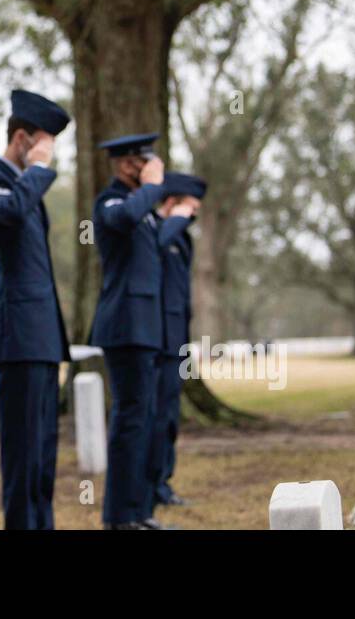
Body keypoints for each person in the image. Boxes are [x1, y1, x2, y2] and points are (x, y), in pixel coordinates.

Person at [0, 89, 71, 529]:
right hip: (17, 338)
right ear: (20, 139)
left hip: (41, 338)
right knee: (21, 457)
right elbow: (9, 213)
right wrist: (37, 168)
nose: (48, 157)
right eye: (42, 143)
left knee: (42, 457)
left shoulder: (23, 184)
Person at [86, 132, 182, 530]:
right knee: (129, 423)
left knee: (145, 421)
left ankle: (141, 510)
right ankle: (119, 517)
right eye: (145, 162)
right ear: (128, 165)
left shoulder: (142, 209)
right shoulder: (112, 202)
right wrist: (154, 187)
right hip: (125, 329)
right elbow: (122, 218)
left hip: (147, 330)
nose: (153, 169)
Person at [153, 172, 206, 511]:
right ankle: (152, 485)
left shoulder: (182, 238)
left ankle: (164, 480)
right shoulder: (158, 231)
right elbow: (156, 243)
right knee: (155, 415)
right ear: (171, 202)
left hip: (177, 341)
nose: (193, 215)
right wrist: (175, 218)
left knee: (170, 415)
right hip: (156, 340)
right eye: (189, 207)